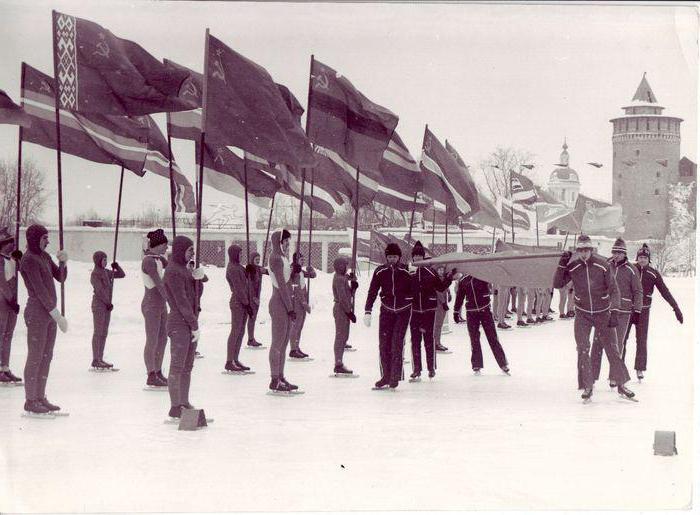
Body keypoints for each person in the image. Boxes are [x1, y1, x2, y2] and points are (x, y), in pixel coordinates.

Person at [553, 234, 635, 402]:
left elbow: (614, 290)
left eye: (586, 250)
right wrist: (562, 265)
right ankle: (588, 386)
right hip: (582, 313)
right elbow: (557, 284)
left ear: (591, 250)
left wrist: (614, 311)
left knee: (612, 348)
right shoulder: (574, 266)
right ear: (577, 251)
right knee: (582, 348)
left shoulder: (602, 265)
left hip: (602, 312)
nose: (584, 253)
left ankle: (621, 384)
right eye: (580, 250)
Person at [19, 225, 68, 415]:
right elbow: (40, 291)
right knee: (36, 357)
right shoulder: (29, 260)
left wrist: (63, 262)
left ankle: (40, 396)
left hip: (49, 312)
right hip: (37, 312)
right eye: (44, 238)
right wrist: (56, 314)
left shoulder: (45, 257)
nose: (48, 241)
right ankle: (30, 400)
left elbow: (61, 277)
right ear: (34, 239)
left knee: (47, 356)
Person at [622, 243, 683, 380]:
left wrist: (676, 307)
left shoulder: (653, 274)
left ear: (649, 259)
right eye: (640, 257)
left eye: (645, 257)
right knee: (622, 339)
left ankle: (639, 369)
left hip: (643, 312)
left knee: (641, 340)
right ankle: (619, 368)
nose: (642, 259)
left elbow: (665, 292)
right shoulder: (630, 270)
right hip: (628, 310)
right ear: (637, 258)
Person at [591, 238, 642, 386]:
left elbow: (638, 291)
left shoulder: (632, 270)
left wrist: (637, 310)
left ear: (624, 254)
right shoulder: (606, 265)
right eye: (614, 252)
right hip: (604, 310)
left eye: (619, 253)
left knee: (616, 345)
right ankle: (592, 375)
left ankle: (614, 376)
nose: (616, 255)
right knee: (597, 343)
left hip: (623, 312)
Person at [163, 236, 204, 419]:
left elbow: (195, 296)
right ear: (180, 251)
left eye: (193, 250)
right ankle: (175, 406)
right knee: (178, 366)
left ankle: (184, 402)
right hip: (179, 323)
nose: (192, 253)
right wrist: (194, 324)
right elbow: (182, 302)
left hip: (189, 322)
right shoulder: (173, 271)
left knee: (188, 367)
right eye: (189, 250)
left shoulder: (184, 269)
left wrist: (199, 278)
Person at [364, 242, 412, 389]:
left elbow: (415, 289)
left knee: (397, 343)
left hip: (403, 310)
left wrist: (413, 274)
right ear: (386, 257)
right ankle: (385, 375)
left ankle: (395, 376)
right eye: (390, 256)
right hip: (386, 310)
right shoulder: (380, 271)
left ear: (399, 257)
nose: (392, 259)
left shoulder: (406, 270)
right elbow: (372, 291)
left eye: (395, 257)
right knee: (384, 344)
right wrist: (368, 310)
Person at [408, 241, 452, 380]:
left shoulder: (430, 272)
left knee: (429, 340)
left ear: (423, 257)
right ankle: (416, 369)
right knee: (415, 341)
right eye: (415, 256)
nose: (418, 258)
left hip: (428, 310)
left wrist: (449, 278)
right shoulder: (409, 272)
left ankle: (431, 367)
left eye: (420, 256)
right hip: (414, 311)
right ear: (413, 258)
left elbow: (440, 287)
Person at [453, 272, 509, 375]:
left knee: (492, 337)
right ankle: (476, 365)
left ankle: (503, 364)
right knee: (474, 339)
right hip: (471, 312)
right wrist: (456, 311)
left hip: (485, 311)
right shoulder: (463, 280)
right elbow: (459, 297)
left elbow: (493, 277)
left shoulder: (483, 275)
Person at [267, 229, 298, 392]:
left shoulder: (283, 258)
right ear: (279, 241)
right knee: (278, 343)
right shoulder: (275, 258)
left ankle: (281, 376)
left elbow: (287, 280)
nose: (287, 244)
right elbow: (281, 286)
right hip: (279, 303)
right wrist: (290, 308)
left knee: (284, 343)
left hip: (285, 303)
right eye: (285, 241)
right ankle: (274, 378)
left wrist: (295, 271)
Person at [141, 229, 169, 388]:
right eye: (165, 245)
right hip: (151, 303)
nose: (167, 248)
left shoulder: (159, 258)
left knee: (163, 338)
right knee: (152, 339)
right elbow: (159, 283)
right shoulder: (149, 261)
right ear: (158, 245)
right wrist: (171, 299)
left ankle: (158, 371)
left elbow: (172, 267)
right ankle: (151, 373)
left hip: (160, 304)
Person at [89, 251, 125, 369]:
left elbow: (121, 275)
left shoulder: (106, 272)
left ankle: (100, 357)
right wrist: (107, 302)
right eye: (103, 260)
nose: (105, 262)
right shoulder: (95, 274)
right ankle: (95, 359)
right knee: (98, 332)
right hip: (99, 305)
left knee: (104, 332)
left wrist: (116, 267)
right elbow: (99, 291)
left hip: (107, 306)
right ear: (97, 261)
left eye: (106, 259)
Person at [224, 244, 253, 373]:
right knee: (235, 331)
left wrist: (249, 271)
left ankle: (235, 359)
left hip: (244, 302)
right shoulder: (232, 268)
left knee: (241, 332)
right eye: (239, 254)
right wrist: (247, 304)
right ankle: (229, 360)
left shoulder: (238, 267)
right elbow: (239, 288)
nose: (241, 256)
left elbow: (246, 282)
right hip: (238, 302)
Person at [0, 228, 22, 384]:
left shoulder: (12, 260)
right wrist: (10, 299)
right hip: (3, 302)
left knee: (8, 335)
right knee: (1, 335)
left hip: (12, 303)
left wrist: (20, 259)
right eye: (11, 243)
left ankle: (5, 368)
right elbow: (1, 282)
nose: (14, 245)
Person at [331, 256, 357, 375]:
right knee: (341, 336)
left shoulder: (342, 278)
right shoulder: (339, 279)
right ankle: (338, 363)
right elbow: (342, 298)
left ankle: (339, 361)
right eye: (345, 265)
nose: (347, 268)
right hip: (341, 309)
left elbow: (347, 294)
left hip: (343, 309)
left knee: (344, 336)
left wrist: (353, 288)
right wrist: (349, 312)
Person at [288, 252, 317, 359]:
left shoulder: (300, 270)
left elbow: (313, 276)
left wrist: (311, 270)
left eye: (303, 259)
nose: (303, 260)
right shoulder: (293, 269)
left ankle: (296, 346)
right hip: (296, 301)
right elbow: (290, 280)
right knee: (295, 326)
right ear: (296, 259)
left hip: (302, 300)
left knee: (300, 326)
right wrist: (304, 303)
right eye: (301, 259)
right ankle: (293, 349)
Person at [244, 251, 267, 348]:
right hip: (251, 297)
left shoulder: (258, 268)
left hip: (257, 297)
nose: (257, 260)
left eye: (259, 259)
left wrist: (264, 271)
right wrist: (254, 298)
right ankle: (250, 339)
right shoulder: (250, 270)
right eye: (256, 259)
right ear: (251, 259)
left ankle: (251, 337)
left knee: (253, 318)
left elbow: (270, 272)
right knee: (252, 318)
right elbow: (250, 286)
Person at [432, 265, 451, 352]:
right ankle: (436, 343)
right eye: (439, 269)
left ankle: (437, 342)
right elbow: (438, 291)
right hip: (438, 304)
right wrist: (443, 303)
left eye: (442, 270)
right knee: (437, 325)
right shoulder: (436, 279)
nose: (441, 271)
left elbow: (446, 287)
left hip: (443, 304)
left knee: (439, 324)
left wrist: (449, 294)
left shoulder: (444, 278)